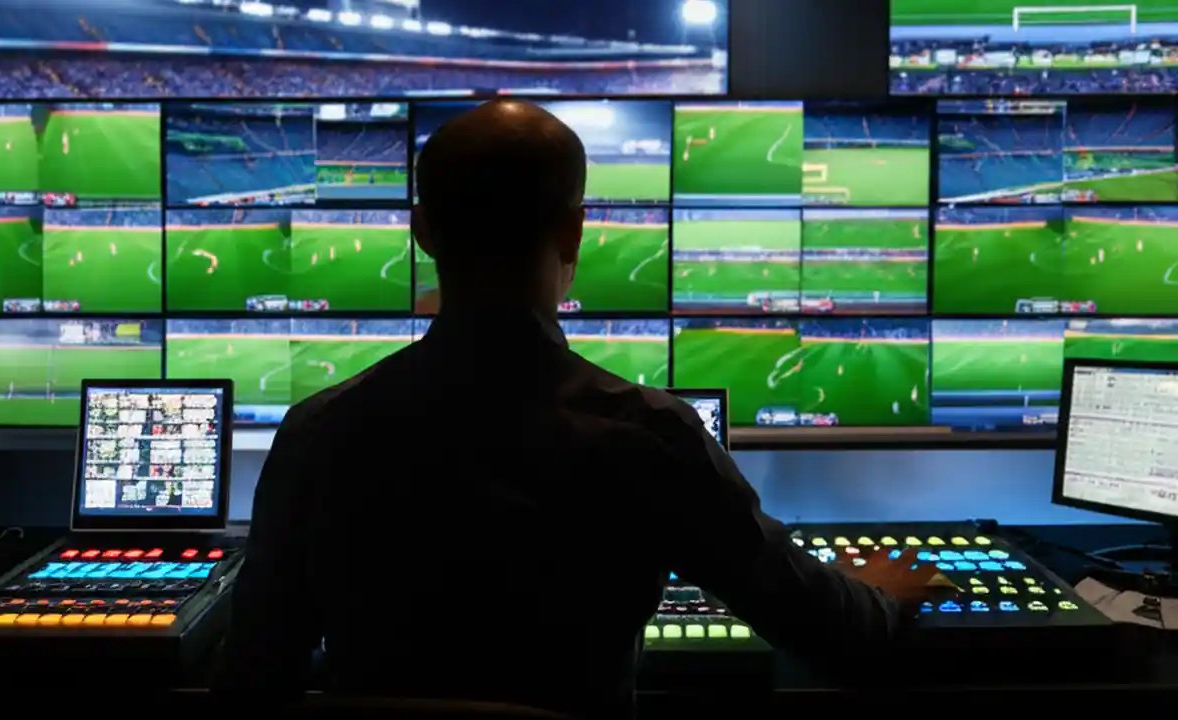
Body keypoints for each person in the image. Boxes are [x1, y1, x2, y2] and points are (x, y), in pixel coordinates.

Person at [216, 100, 934, 717]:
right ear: (574, 232)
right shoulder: (649, 436)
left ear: (422, 231)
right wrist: (876, 594)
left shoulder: (317, 433)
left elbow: (251, 677)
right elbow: (831, 633)